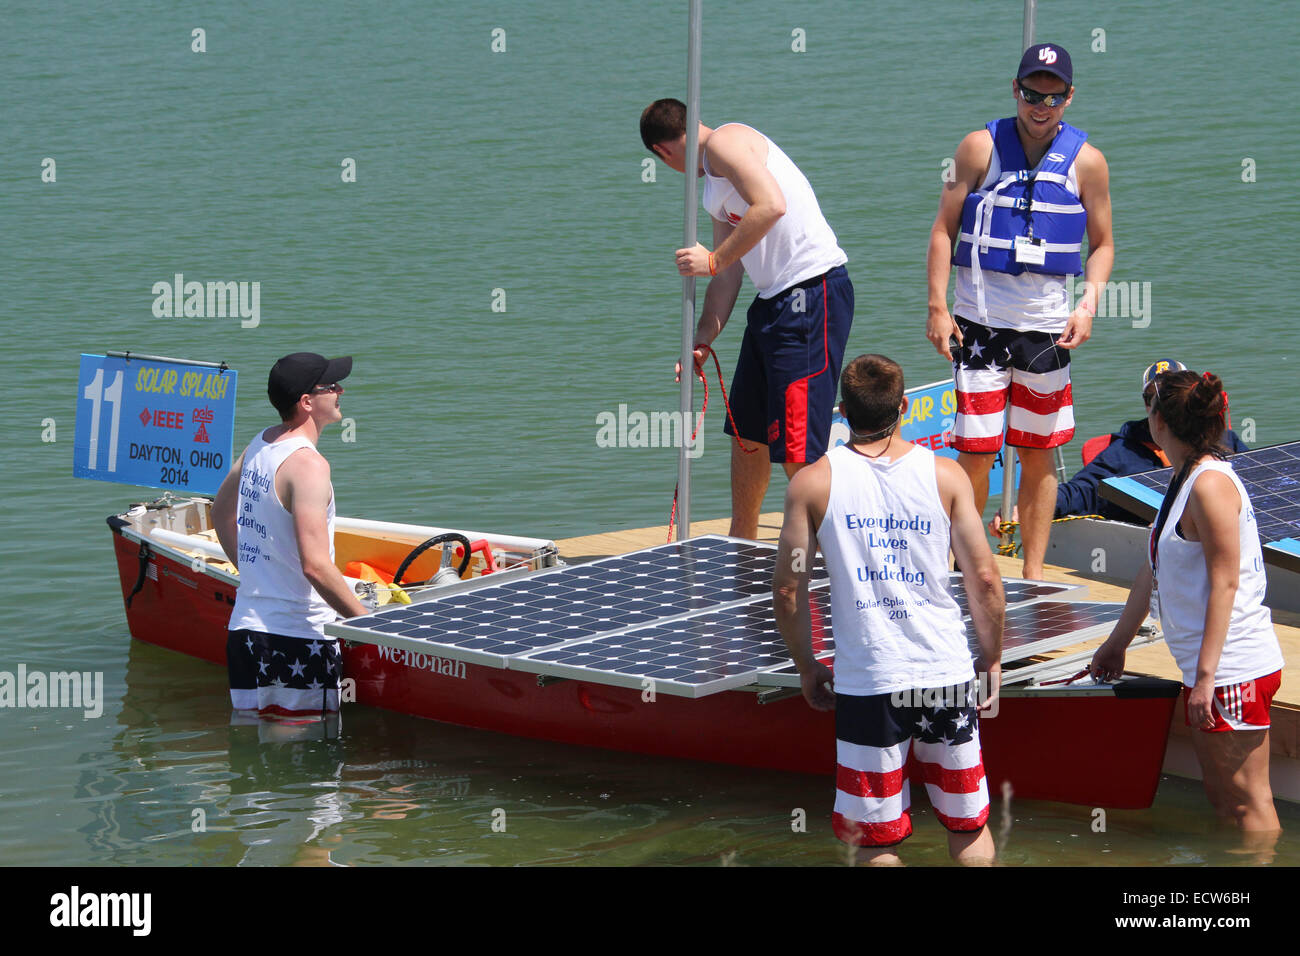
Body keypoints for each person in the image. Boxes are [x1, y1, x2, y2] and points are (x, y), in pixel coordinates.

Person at [774, 354, 1006, 865]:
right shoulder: (947, 477)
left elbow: (789, 589)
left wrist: (807, 665)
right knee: (968, 823)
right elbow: (985, 578)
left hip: (869, 681)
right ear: (903, 406)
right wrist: (990, 658)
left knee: (874, 838)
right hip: (944, 673)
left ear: (841, 411)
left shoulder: (811, 484)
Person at [925, 42, 1114, 579]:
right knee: (976, 453)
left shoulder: (1089, 163)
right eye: (1032, 94)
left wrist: (1089, 305)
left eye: (1053, 98)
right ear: (1016, 90)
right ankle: (961, 568)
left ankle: (1033, 575)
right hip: (978, 327)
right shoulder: (977, 148)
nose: (1041, 106)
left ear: (1069, 98)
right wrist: (937, 308)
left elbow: (1102, 244)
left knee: (1038, 454)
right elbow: (944, 229)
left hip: (1047, 333)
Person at [641, 98, 855, 539]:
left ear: (662, 153)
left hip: (812, 291)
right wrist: (703, 339)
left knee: (798, 449)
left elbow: (771, 204)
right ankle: (744, 542)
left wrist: (714, 259)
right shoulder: (712, 186)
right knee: (748, 434)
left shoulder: (726, 142)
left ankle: (836, 547)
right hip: (772, 300)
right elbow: (731, 272)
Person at [1090, 371, 1284, 833]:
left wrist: (1205, 678)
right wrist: (1117, 643)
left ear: (1158, 422)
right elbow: (1150, 569)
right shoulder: (1183, 479)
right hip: (1209, 668)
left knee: (1247, 804)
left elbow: (1225, 584)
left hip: (1233, 667)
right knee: (1221, 797)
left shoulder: (1210, 486)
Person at [213, 352, 367, 717]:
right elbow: (315, 566)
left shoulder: (261, 443)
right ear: (307, 402)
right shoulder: (309, 465)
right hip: (298, 639)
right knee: (308, 763)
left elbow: (220, 512)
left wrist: (254, 573)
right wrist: (368, 625)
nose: (341, 390)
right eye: (332, 386)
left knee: (254, 761)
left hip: (244, 632)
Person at [1055, 360, 1248, 522]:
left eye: (1173, 398)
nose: (1165, 406)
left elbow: (1262, 481)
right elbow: (1077, 494)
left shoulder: (1225, 440)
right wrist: (1033, 499)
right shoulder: (1123, 454)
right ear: (1148, 406)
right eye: (1154, 398)